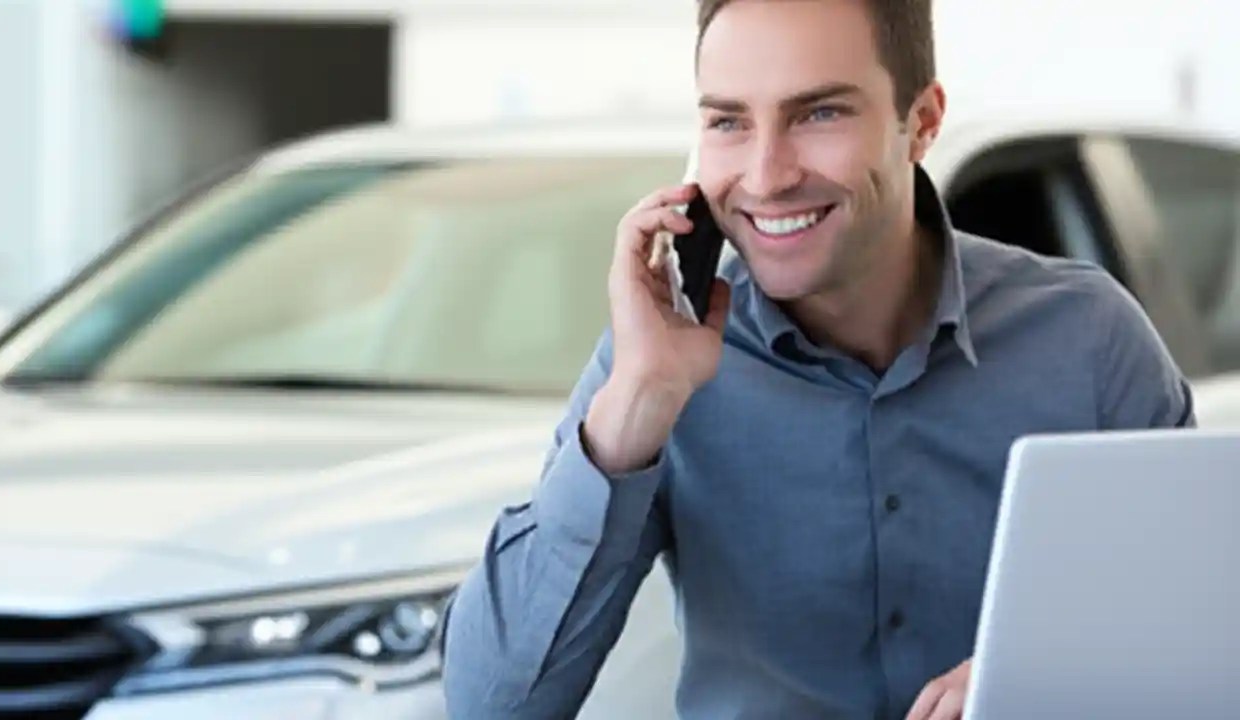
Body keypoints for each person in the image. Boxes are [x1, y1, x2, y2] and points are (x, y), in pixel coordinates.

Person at [440, 0, 1196, 717]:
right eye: (729, 122)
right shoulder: (655, 361)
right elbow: (491, 706)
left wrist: (1045, 683)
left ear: (922, 121)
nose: (766, 176)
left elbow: (1196, 637)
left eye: (819, 113)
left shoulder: (1090, 343)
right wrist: (638, 399)